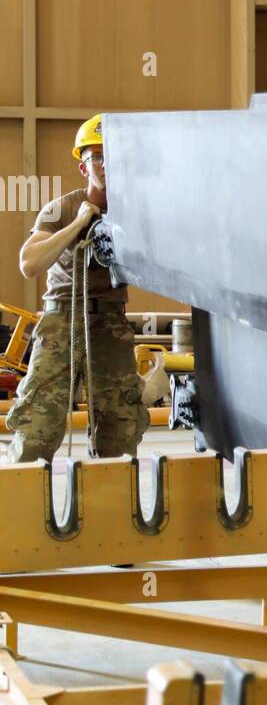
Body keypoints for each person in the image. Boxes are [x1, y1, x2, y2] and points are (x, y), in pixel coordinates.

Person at [6, 115, 149, 463]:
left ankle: (109, 506)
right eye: (95, 157)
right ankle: (24, 507)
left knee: (120, 426)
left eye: (110, 156)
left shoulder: (137, 212)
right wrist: (80, 224)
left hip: (110, 322)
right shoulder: (62, 209)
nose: (104, 164)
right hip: (61, 321)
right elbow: (29, 264)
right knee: (39, 422)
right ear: (83, 168)